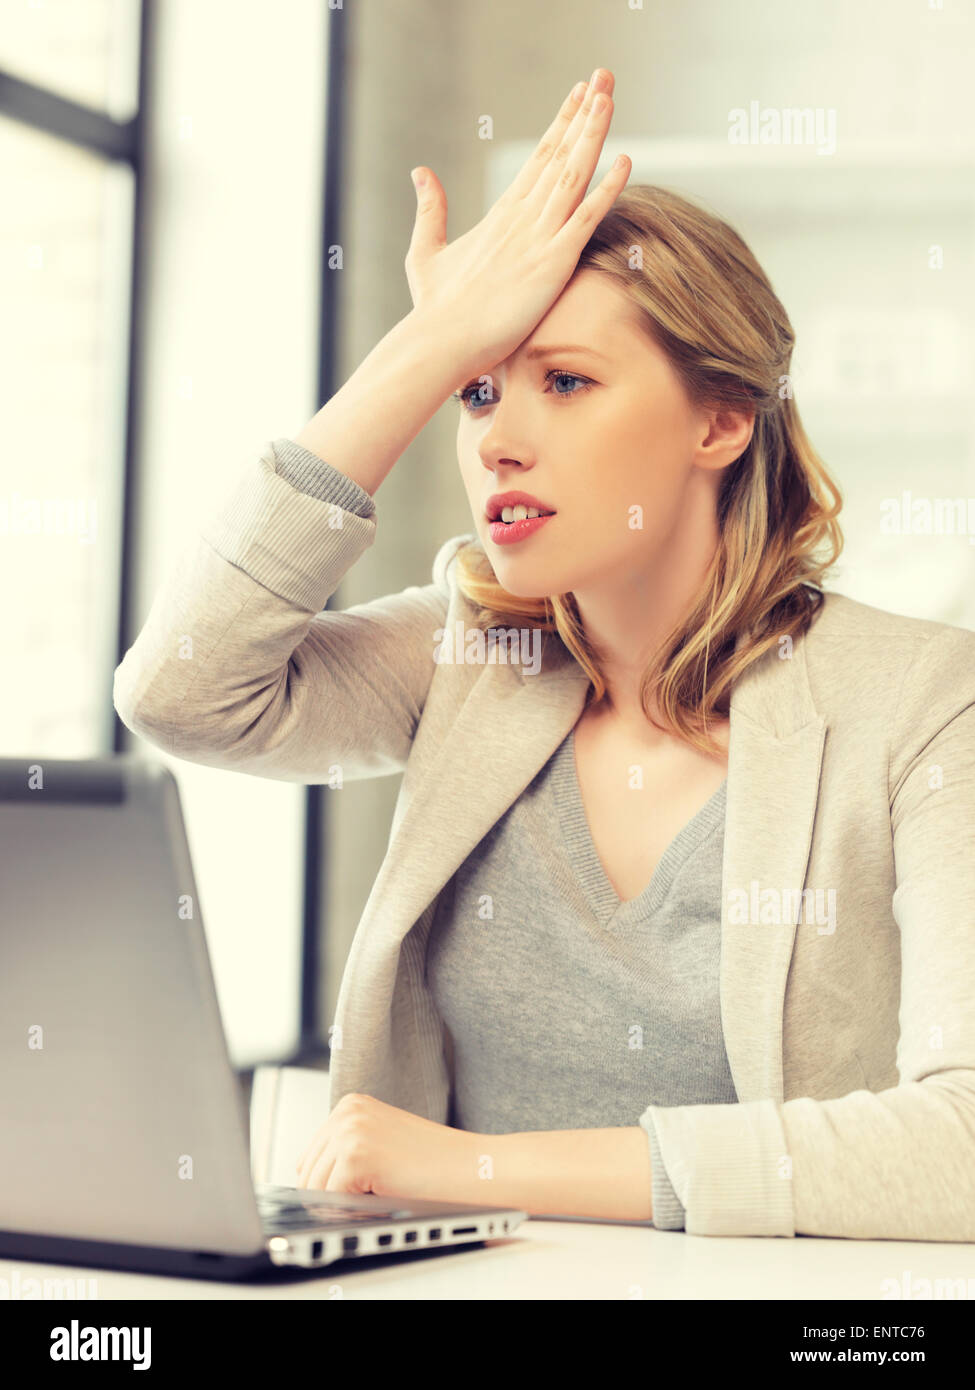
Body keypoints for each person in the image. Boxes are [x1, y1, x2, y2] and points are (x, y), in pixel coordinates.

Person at [114, 68, 975, 1239]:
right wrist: (424, 347)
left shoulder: (923, 700)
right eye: (478, 393)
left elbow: (961, 1145)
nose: (500, 442)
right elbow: (180, 691)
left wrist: (475, 1167)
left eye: (565, 382)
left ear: (720, 420)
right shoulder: (463, 656)